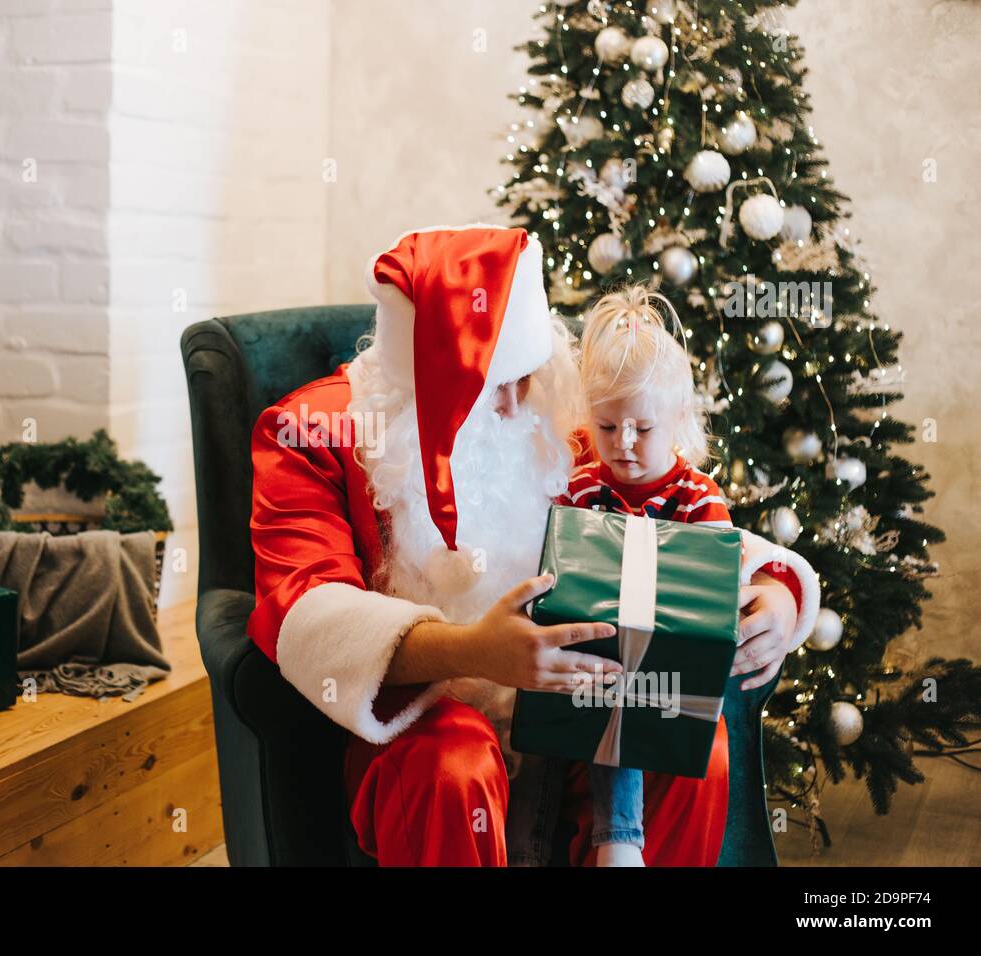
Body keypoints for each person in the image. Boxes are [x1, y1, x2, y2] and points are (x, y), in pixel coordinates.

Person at [247, 223, 820, 866]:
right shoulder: (313, 431)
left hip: (574, 707)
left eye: (530, 372)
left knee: (693, 750)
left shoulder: (544, 411)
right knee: (452, 768)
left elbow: (663, 510)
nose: (521, 399)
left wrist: (773, 592)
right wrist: (474, 652)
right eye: (496, 382)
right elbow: (306, 607)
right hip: (428, 717)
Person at [553, 283, 743, 867]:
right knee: (605, 683)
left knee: (631, 688)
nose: (625, 446)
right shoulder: (582, 486)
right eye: (607, 429)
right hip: (590, 664)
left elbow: (717, 588)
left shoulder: (698, 497)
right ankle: (564, 847)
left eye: (643, 428)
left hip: (670, 670)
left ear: (680, 419)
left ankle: (619, 839)